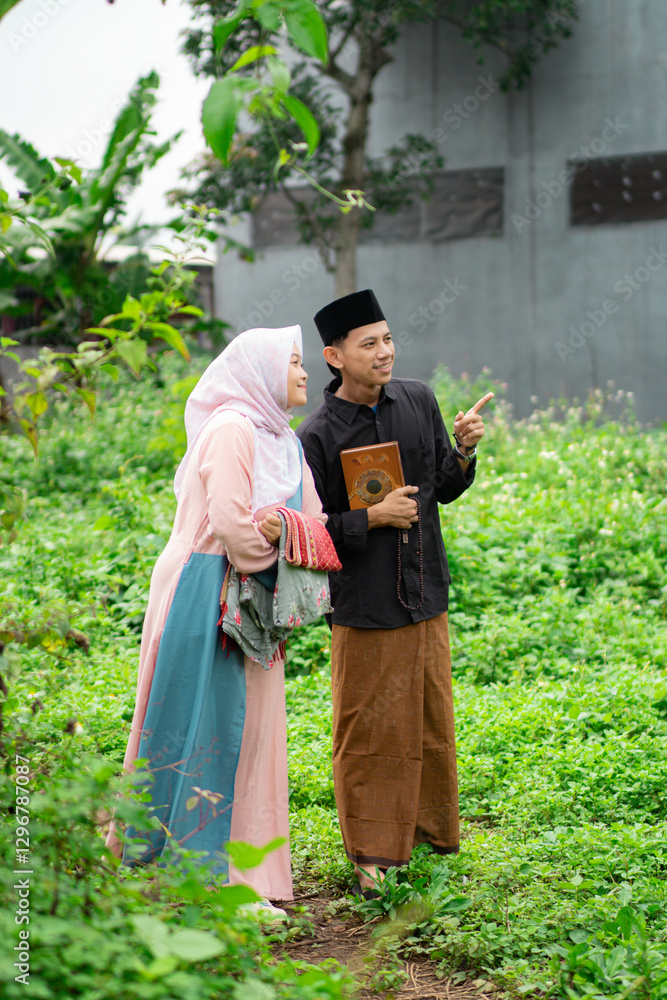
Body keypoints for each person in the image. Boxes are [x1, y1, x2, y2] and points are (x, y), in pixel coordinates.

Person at [106, 325, 326, 912]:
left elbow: (315, 518)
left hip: (254, 593)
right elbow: (230, 523)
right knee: (199, 723)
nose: (304, 372)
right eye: (293, 362)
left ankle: (244, 877)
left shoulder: (284, 439)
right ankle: (182, 870)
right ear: (261, 370)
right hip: (205, 586)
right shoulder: (232, 429)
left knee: (252, 732)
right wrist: (275, 554)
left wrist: (285, 532)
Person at [296, 289, 491, 896]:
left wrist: (464, 449)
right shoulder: (316, 436)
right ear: (334, 356)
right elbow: (305, 529)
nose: (385, 352)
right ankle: (370, 858)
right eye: (369, 344)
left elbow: (440, 489)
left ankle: (429, 838)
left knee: (430, 721)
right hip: (365, 604)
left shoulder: (417, 399)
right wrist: (371, 519)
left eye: (387, 339)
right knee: (369, 731)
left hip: (424, 591)